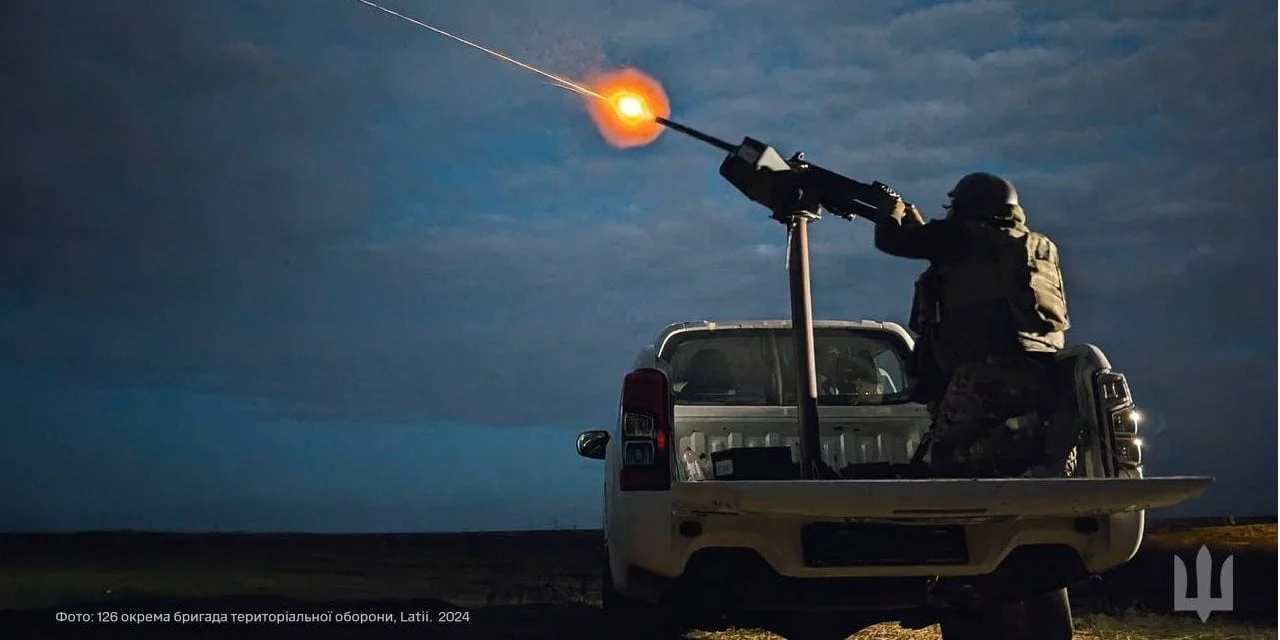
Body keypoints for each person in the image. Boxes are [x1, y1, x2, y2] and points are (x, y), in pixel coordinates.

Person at [872, 172, 1071, 477]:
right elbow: (967, 268)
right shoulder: (1034, 244)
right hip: (1040, 369)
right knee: (989, 450)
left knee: (948, 459)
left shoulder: (958, 235)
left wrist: (891, 212)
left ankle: (1022, 450)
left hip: (981, 372)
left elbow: (890, 240)